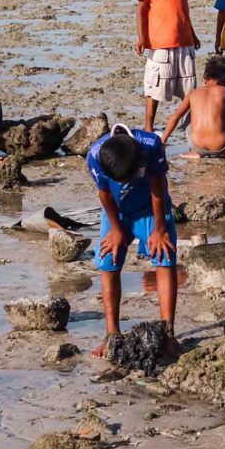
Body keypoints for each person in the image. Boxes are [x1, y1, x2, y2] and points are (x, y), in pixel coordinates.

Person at [88, 124, 179, 358]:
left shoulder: (150, 146)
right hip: (117, 211)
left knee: (164, 256)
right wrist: (116, 229)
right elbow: (105, 194)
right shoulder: (95, 156)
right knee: (108, 259)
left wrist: (159, 229)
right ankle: (112, 335)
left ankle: (167, 333)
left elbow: (157, 188)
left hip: (150, 207)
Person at [135, 0, 200, 132]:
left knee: (190, 88)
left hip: (184, 41)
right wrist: (142, 38)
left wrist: (193, 33)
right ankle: (149, 127)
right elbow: (142, 9)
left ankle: (191, 129)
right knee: (154, 88)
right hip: (160, 43)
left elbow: (183, 7)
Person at [159, 55, 225, 159]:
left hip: (196, 145)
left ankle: (193, 152)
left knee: (187, 112)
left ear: (205, 78)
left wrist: (162, 141)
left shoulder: (193, 93)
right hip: (221, 145)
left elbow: (175, 118)